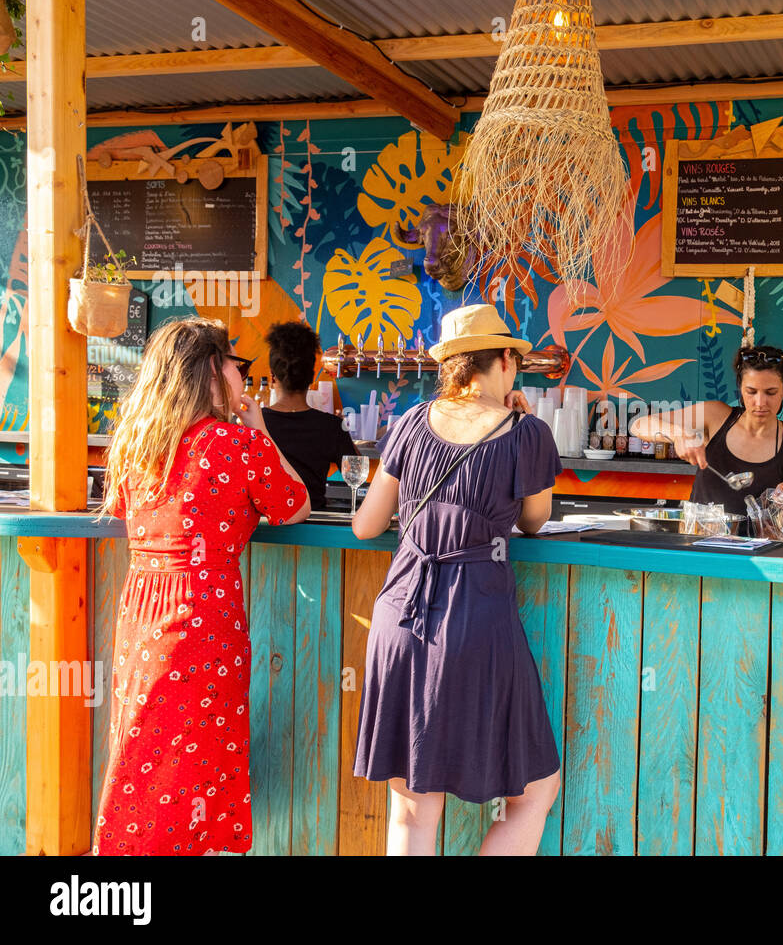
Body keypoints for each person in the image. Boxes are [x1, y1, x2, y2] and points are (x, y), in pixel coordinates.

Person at [350, 303, 563, 856]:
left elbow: (366, 524)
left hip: (399, 616)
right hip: (475, 620)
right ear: (506, 362)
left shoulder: (411, 421)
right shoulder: (526, 432)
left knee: (413, 812)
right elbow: (534, 519)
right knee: (537, 791)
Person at [93, 316, 310, 855]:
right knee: (199, 758)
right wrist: (259, 430)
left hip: (141, 616)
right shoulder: (239, 445)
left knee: (144, 748)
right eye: (237, 366)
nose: (244, 378)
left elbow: (123, 507)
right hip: (203, 615)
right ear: (213, 370)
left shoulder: (138, 444)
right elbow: (296, 504)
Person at [630, 345, 783, 522]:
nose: (760, 402)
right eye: (751, 392)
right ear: (740, 388)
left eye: (771, 393)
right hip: (699, 544)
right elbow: (639, 425)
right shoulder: (715, 416)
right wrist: (678, 434)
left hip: (757, 549)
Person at [259, 320, 358, 512]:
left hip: (264, 529)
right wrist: (343, 430)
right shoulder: (331, 427)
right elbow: (355, 475)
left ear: (272, 376)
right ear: (312, 376)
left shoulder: (254, 425)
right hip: (314, 526)